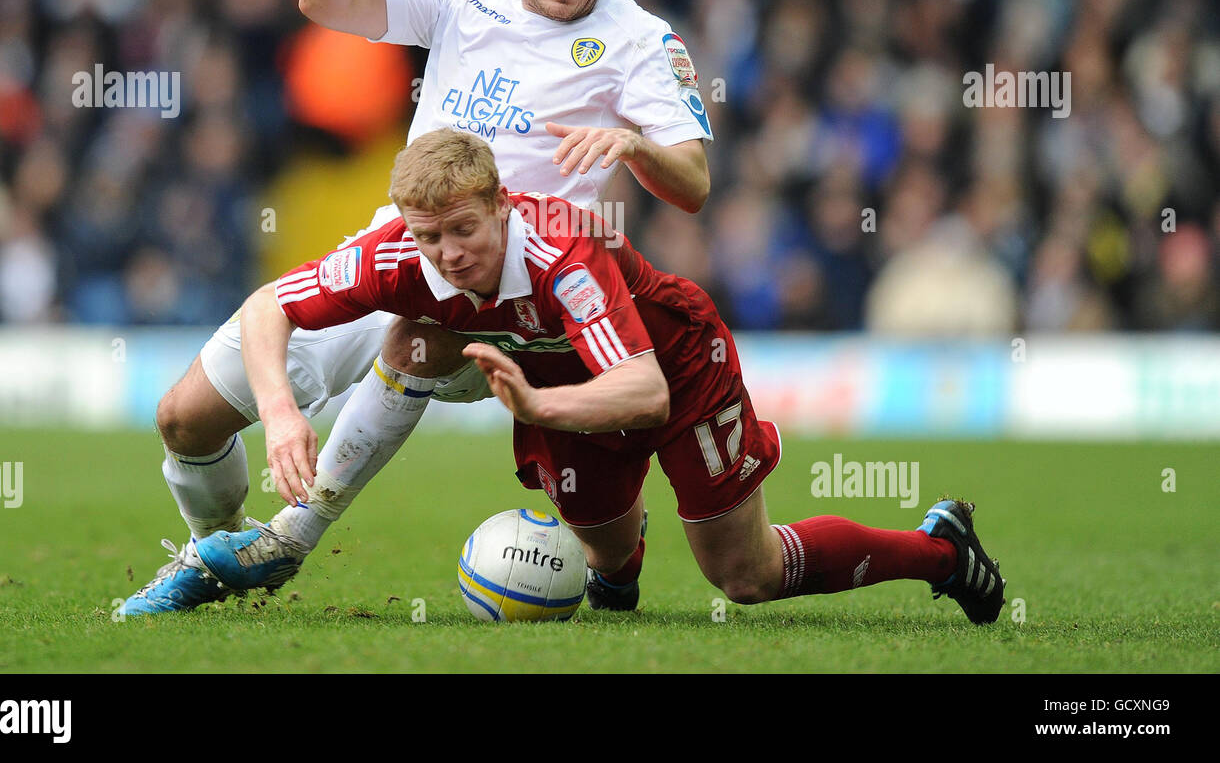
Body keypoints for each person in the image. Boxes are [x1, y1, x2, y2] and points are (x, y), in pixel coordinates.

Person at [124, 0, 713, 613]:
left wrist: (634, 144)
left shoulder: (640, 41)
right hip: (405, 249)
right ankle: (215, 549)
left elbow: (694, 183)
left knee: (424, 331)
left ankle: (289, 538)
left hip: (521, 296)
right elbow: (323, 0)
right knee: (185, 419)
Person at [195, 130, 1007, 625]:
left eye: (464, 230)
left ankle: (940, 551)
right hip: (567, 392)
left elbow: (644, 389)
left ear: (504, 206)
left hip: (677, 373)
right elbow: (272, 304)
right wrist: (280, 412)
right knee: (611, 567)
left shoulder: (562, 251)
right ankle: (621, 566)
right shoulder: (399, 254)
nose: (447, 254)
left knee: (745, 578)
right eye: (430, 235)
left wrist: (537, 402)